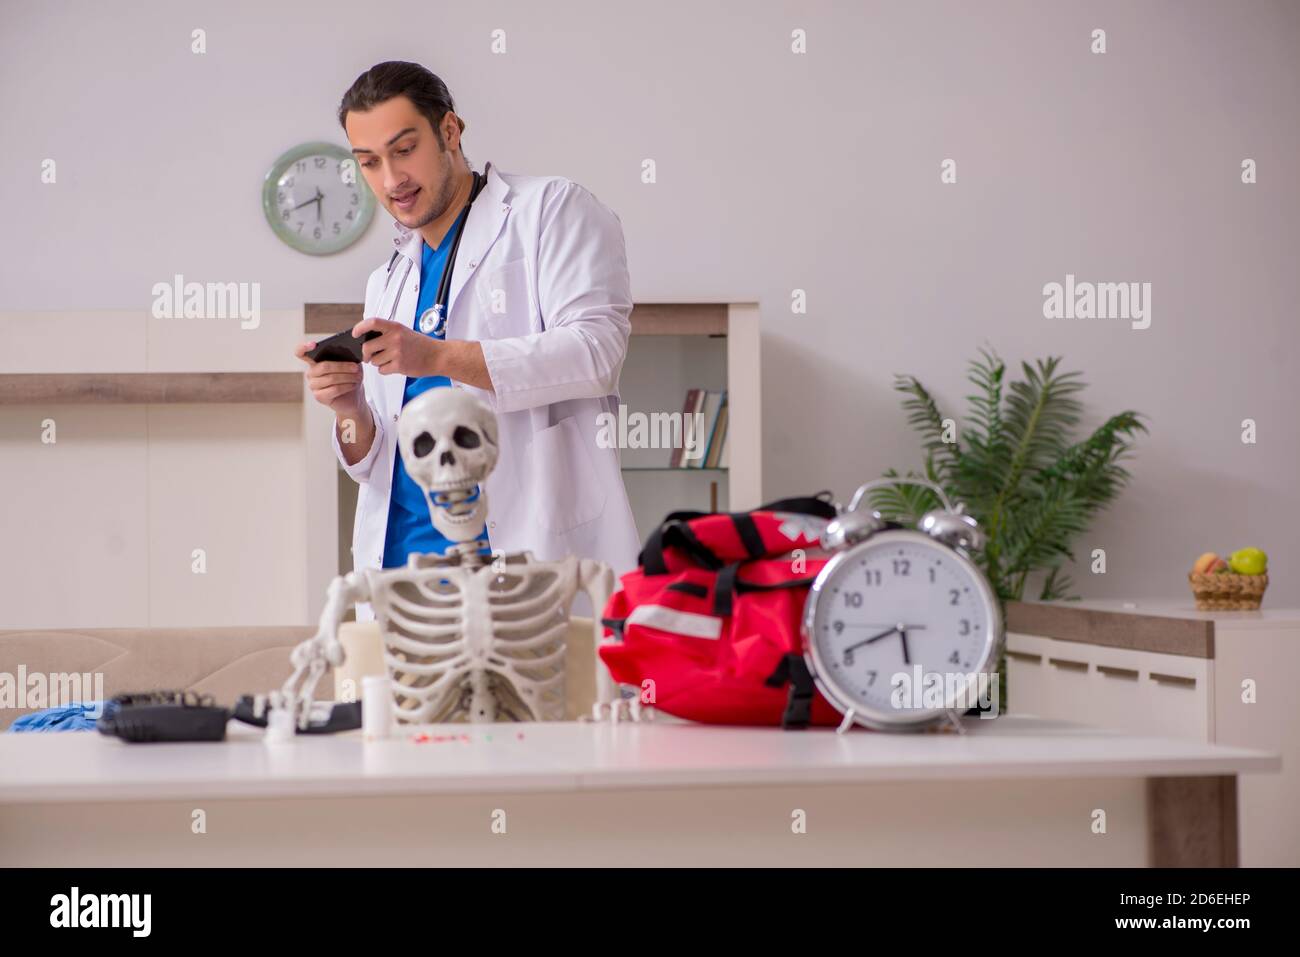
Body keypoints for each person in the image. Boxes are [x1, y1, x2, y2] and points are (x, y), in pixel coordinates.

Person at [295, 61, 639, 621]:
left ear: (450, 132)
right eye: (369, 163)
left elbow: (595, 352)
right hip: (405, 580)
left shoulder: (550, 211)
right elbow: (374, 464)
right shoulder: (389, 280)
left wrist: (435, 356)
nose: (391, 180)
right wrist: (348, 407)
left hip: (524, 566)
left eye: (404, 150)